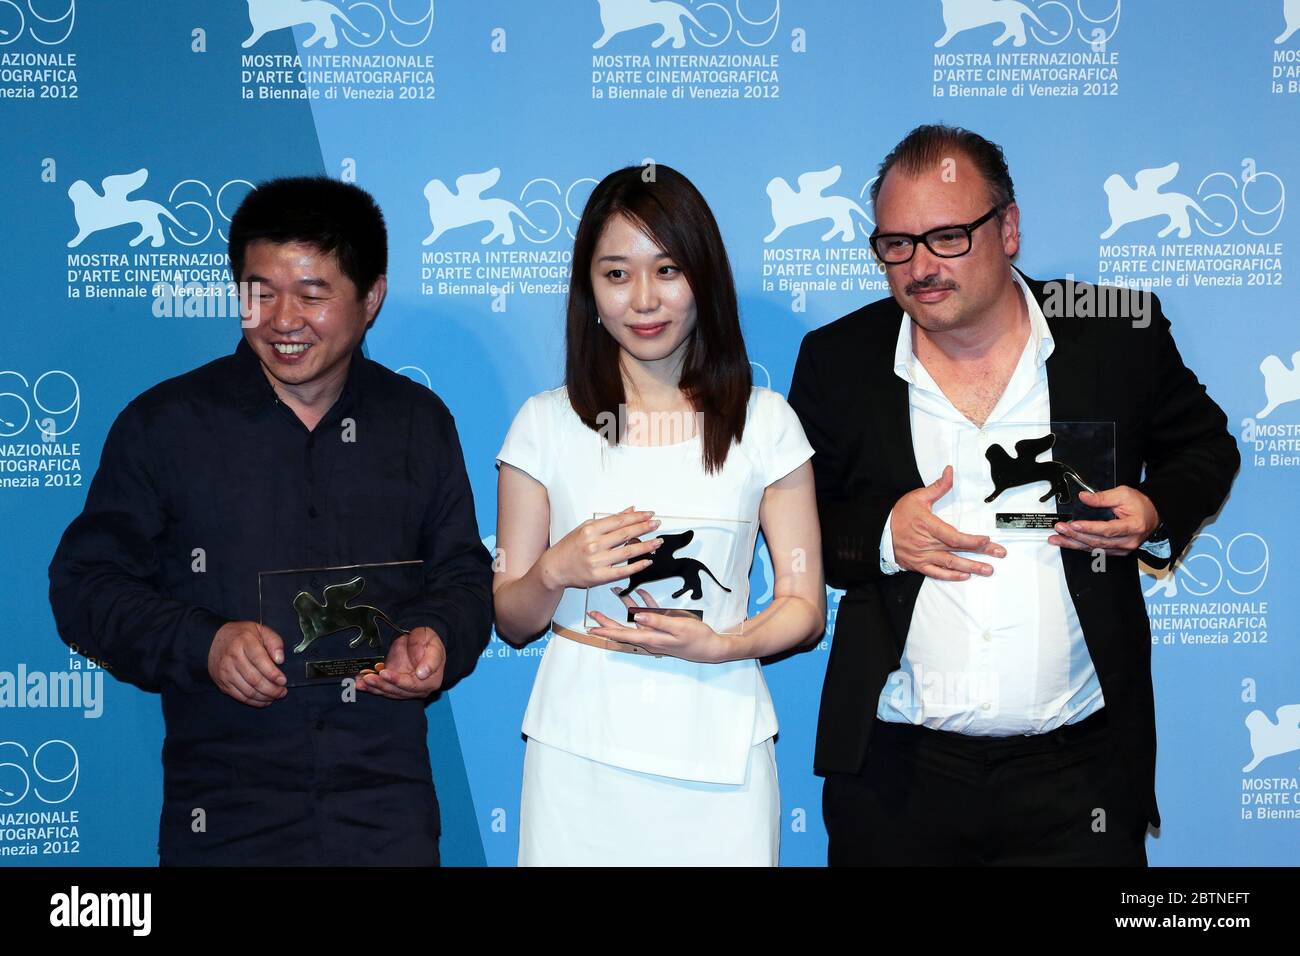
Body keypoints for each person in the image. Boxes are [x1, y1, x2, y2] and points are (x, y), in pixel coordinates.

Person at [789, 125, 1240, 866]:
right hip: (896, 779)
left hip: (1079, 779)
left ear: (1009, 228)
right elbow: (802, 529)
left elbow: (1206, 447)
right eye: (895, 244)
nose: (920, 266)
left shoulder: (1114, 334)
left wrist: (1155, 510)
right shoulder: (839, 361)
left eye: (946, 237)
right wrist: (879, 535)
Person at [48, 176, 493, 865]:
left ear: (370, 297)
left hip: (385, 811)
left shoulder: (418, 425)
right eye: (259, 292)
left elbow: (464, 573)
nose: (283, 319)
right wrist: (204, 643)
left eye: (313, 295)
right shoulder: (165, 426)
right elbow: (85, 590)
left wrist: (439, 636)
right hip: (225, 814)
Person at [492, 164, 826, 866]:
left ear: (702, 276)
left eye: (667, 269)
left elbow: (803, 605)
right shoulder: (545, 425)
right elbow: (512, 618)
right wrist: (555, 569)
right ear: (590, 288)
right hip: (579, 750)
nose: (644, 299)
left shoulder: (765, 424)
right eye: (617, 274)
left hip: (721, 743)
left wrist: (721, 645)